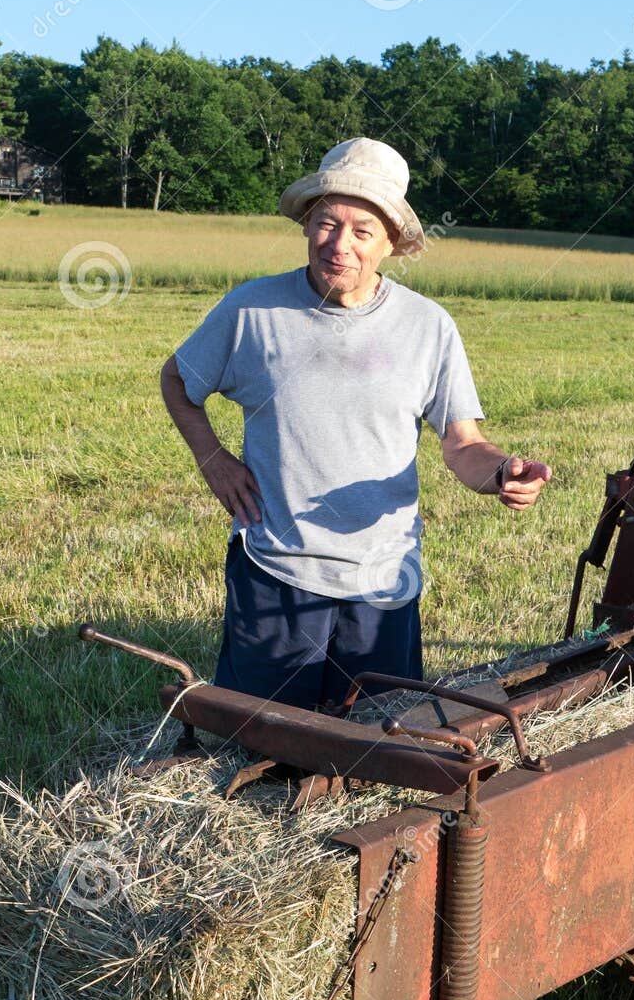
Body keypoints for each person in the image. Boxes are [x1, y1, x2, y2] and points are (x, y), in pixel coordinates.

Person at [160, 136, 552, 711]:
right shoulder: (252, 310)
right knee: (261, 741)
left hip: (384, 579)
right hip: (275, 568)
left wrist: (501, 474)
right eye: (325, 224)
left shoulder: (428, 327)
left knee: (375, 750)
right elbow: (177, 380)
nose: (339, 245)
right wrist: (213, 458)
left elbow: (462, 443)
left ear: (391, 243)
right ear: (305, 226)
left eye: (362, 231)